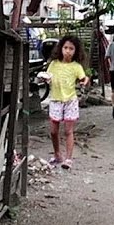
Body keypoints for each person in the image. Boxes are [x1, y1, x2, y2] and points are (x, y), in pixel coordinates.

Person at [41, 35, 89, 169]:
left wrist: (84, 81)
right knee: (53, 131)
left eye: (71, 49)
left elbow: (84, 78)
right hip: (55, 100)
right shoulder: (54, 64)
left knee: (69, 131)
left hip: (70, 101)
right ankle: (57, 155)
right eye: (66, 48)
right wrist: (44, 79)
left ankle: (68, 159)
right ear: (61, 48)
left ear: (76, 51)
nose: (68, 51)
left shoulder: (76, 67)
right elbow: (48, 77)